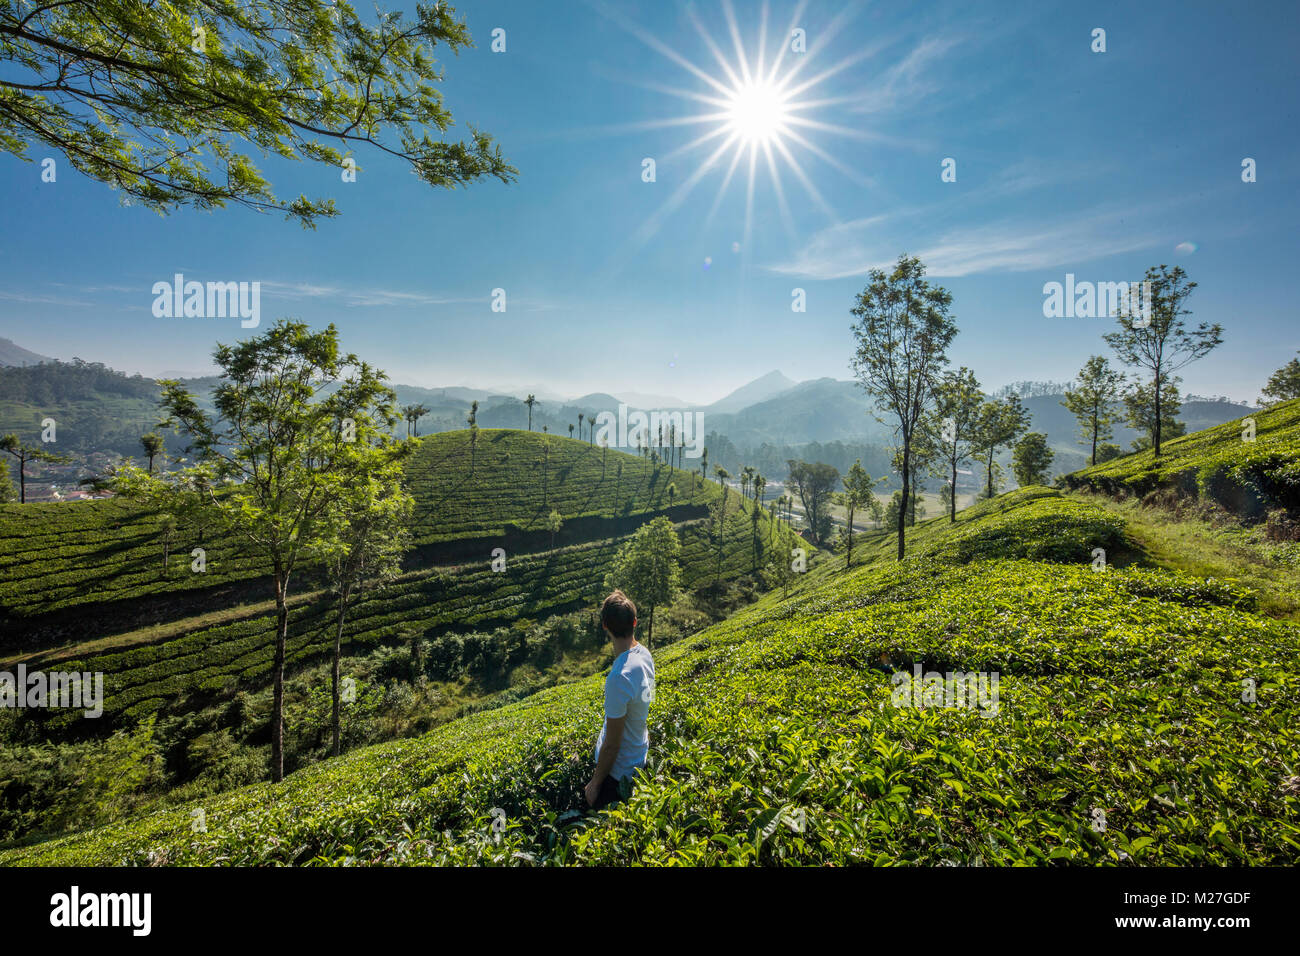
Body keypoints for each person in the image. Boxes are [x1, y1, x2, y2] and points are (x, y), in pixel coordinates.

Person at [584, 589, 655, 810]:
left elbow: (613, 745)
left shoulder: (619, 678)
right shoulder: (645, 654)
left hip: (618, 774)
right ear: (635, 622)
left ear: (605, 626)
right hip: (638, 752)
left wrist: (595, 784)